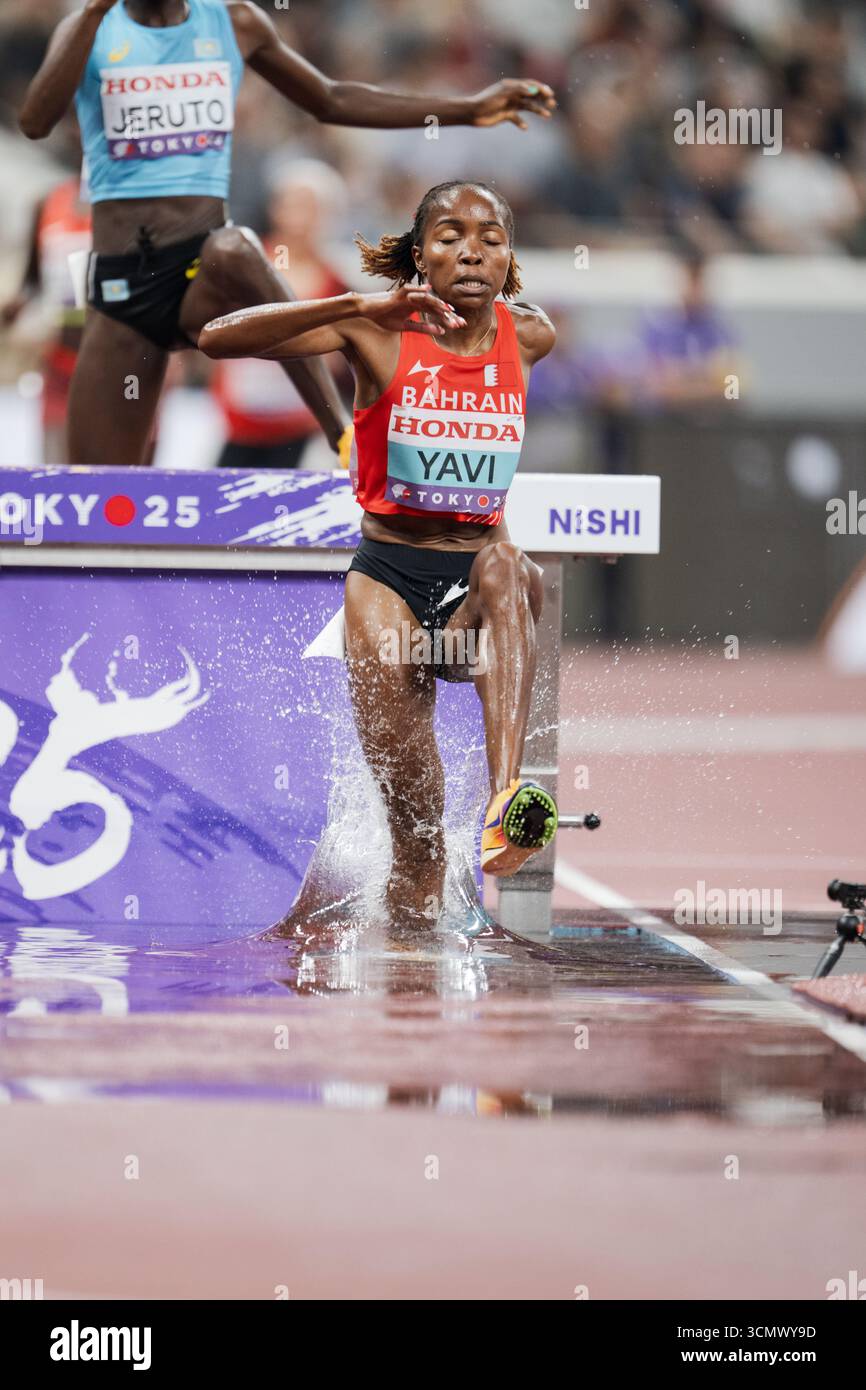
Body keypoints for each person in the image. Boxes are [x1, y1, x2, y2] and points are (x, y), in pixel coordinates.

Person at [200, 180, 558, 931]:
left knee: (505, 562)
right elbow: (219, 335)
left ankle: (509, 800)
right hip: (388, 579)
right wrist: (358, 307)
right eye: (451, 235)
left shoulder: (528, 337)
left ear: (510, 257)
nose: (471, 250)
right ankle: (399, 970)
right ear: (420, 253)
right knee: (421, 848)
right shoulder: (380, 333)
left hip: (479, 596)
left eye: (490, 237)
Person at [18, 0, 555, 469]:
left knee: (235, 246)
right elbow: (35, 121)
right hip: (122, 287)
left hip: (200, 275)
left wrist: (466, 109)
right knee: (96, 497)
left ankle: (339, 432)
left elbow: (332, 98)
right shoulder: (91, 26)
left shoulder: (233, 22)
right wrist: (91, 12)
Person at [210, 160, 351, 471]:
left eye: (310, 206)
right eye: (292, 203)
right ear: (276, 208)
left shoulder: (337, 281)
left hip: (299, 424)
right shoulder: (245, 260)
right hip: (236, 418)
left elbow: (340, 352)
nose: (300, 216)